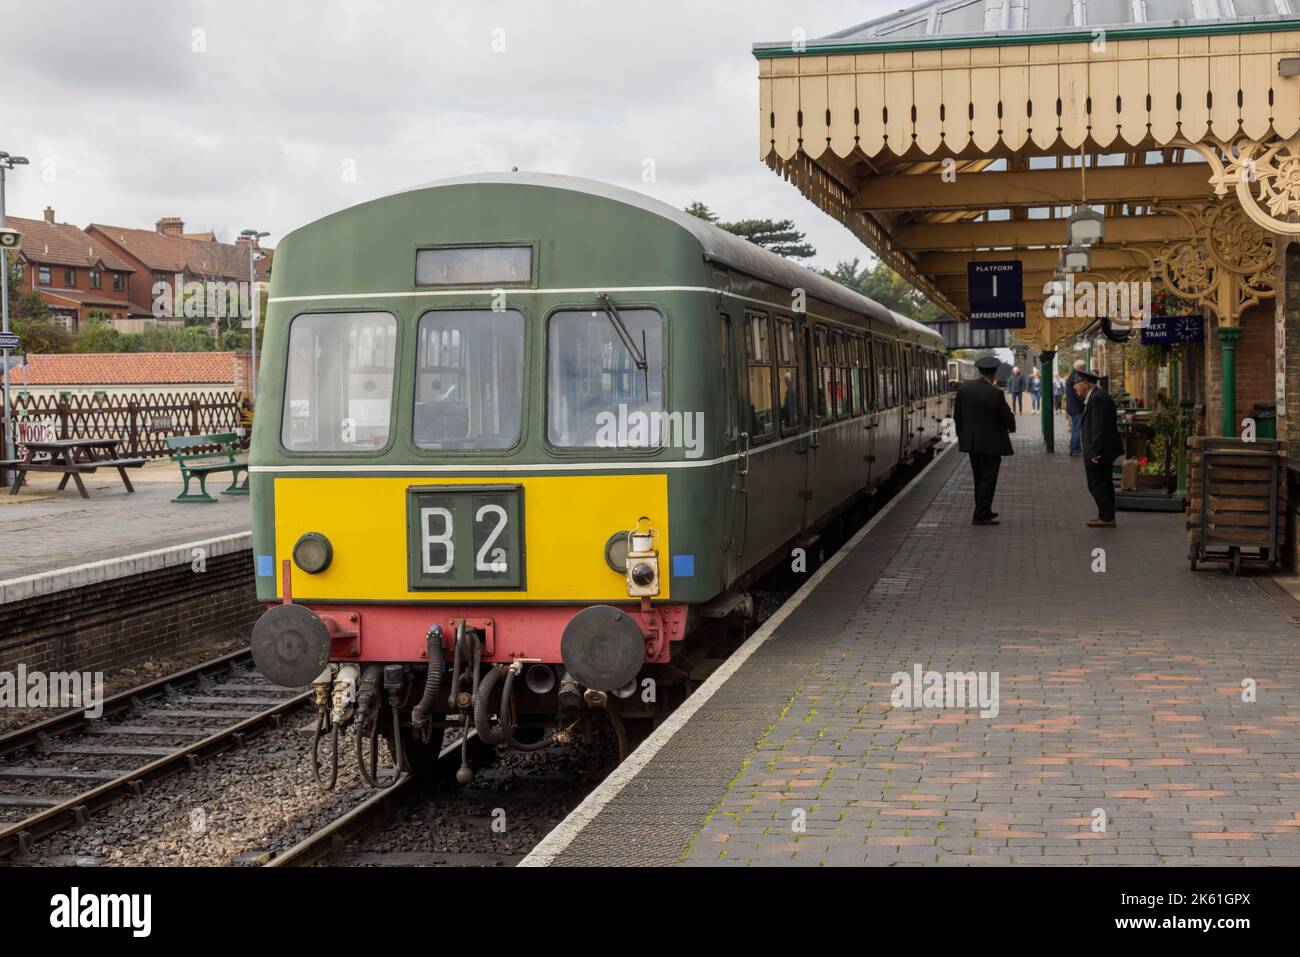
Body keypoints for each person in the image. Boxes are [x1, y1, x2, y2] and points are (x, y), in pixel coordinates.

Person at [954, 355, 1016, 526]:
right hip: (991, 444)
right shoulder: (995, 393)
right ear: (994, 374)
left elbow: (957, 417)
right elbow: (1005, 415)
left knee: (979, 478)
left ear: (979, 371)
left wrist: (963, 436)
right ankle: (980, 515)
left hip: (972, 443)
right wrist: (1011, 426)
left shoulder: (964, 390)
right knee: (988, 479)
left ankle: (984, 510)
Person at [1074, 368, 1124, 528]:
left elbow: (1098, 427)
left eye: (1077, 383)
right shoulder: (1097, 396)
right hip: (1103, 449)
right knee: (1103, 482)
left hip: (1100, 451)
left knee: (1097, 483)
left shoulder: (1097, 399)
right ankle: (1107, 514)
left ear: (1086, 384)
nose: (1075, 387)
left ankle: (1106, 517)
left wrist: (1095, 451)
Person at [1065, 358, 1087, 456]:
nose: (1085, 370)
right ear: (1080, 368)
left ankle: (1075, 448)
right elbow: (1078, 394)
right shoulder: (1076, 378)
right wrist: (1085, 400)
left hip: (1072, 405)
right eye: (1084, 368)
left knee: (1075, 427)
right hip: (1076, 406)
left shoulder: (1072, 376)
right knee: (1077, 428)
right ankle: (1074, 448)